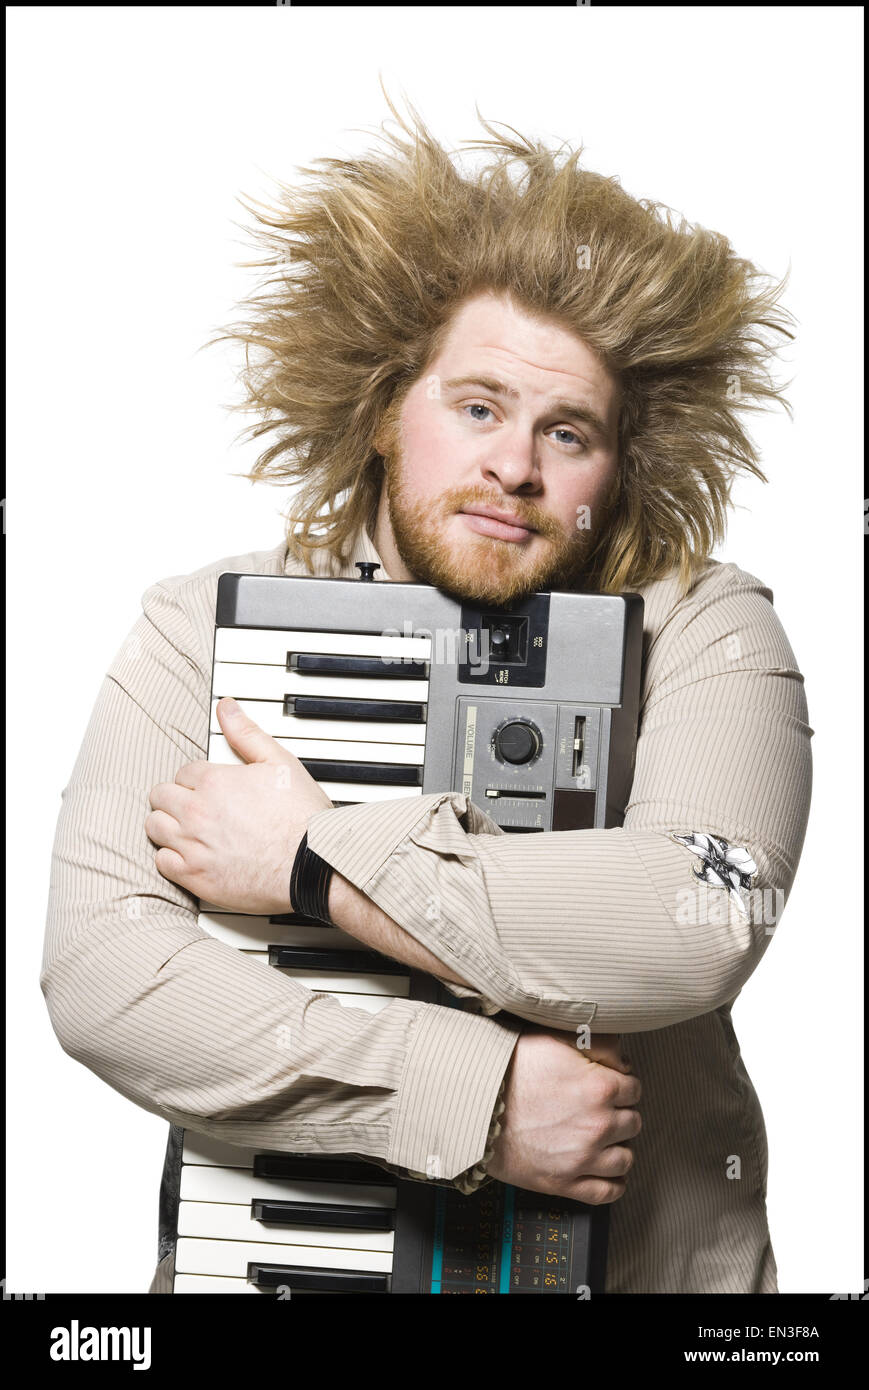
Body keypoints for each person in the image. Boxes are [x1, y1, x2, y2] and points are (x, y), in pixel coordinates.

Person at [41, 97, 812, 1294]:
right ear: (383, 413)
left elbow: (698, 916)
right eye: (476, 408)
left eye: (569, 433)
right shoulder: (198, 623)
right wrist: (480, 1094)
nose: (514, 464)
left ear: (618, 474)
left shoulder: (704, 623)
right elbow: (105, 978)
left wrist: (313, 861)